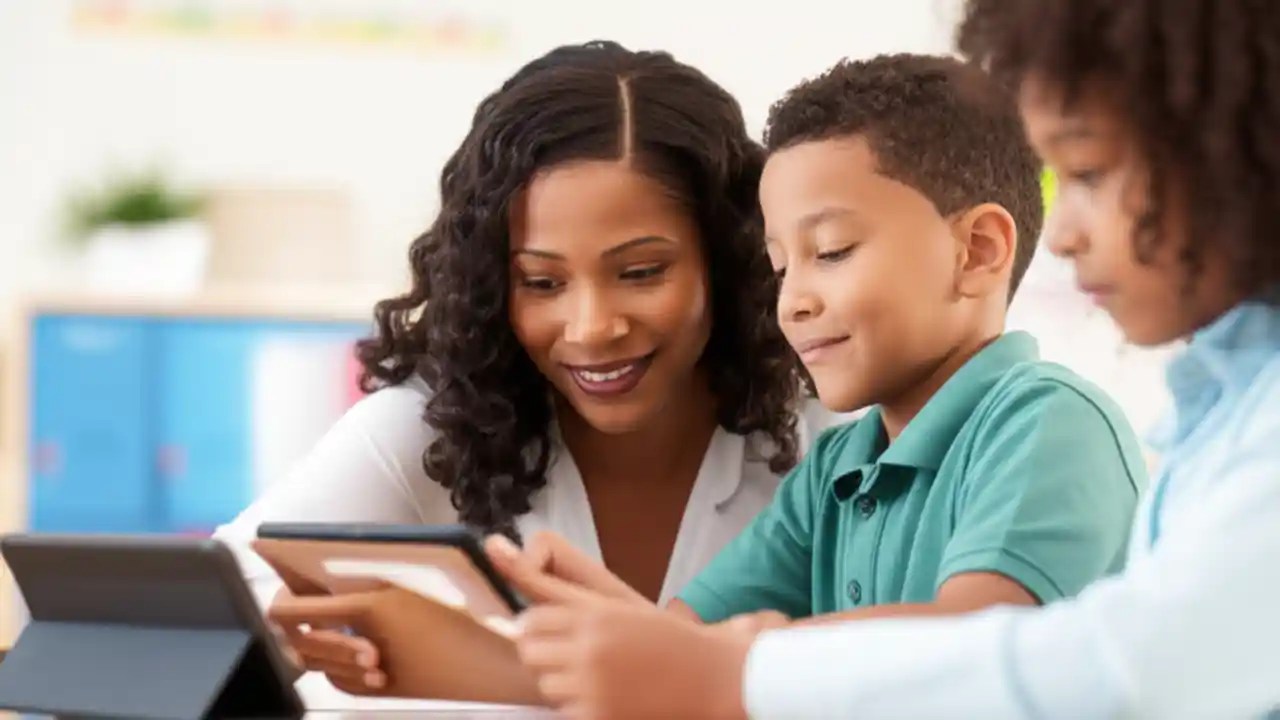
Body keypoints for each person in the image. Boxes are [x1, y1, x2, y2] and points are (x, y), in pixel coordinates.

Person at [495, 2, 1280, 717]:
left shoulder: (1050, 421)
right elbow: (674, 646)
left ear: (977, 250)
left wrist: (742, 666)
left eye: (831, 252)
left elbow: (1014, 648)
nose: (792, 301)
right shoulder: (839, 459)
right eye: (778, 268)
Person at [213, 40, 837, 695]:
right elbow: (213, 601)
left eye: (642, 272)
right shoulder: (431, 430)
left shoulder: (821, 440)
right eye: (541, 282)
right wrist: (289, 638)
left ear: (729, 259)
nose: (592, 327)